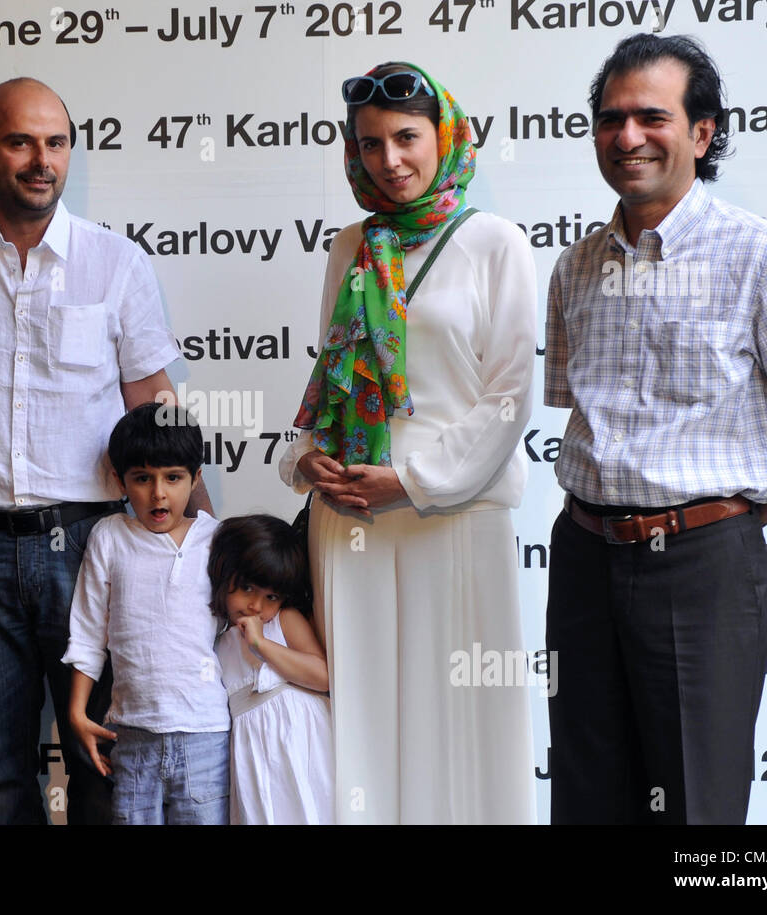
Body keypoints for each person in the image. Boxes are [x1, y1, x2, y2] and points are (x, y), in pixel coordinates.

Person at [544, 34, 767, 824]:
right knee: (585, 797)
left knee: (694, 809)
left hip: (701, 566)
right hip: (581, 558)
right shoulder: (574, 266)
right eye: (611, 119)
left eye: (652, 116)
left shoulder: (759, 252)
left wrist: (729, 523)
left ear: (702, 133)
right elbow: (575, 406)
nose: (627, 137)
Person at [0, 78, 202, 824]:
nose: (42, 160)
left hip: (94, 547)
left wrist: (199, 547)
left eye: (57, 142)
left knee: (105, 764)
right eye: (20, 142)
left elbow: (155, 408)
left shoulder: (117, 263)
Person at [278, 62, 538, 824]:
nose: (389, 160)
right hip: (350, 519)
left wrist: (411, 478)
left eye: (406, 138)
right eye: (369, 145)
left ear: (444, 136)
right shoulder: (350, 243)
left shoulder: (496, 243)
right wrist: (306, 456)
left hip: (451, 516)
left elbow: (508, 397)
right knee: (363, 723)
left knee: (463, 726)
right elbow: (332, 374)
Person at [63, 402, 228, 825]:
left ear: (196, 479)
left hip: (205, 736)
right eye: (142, 478)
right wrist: (78, 713)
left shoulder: (219, 541)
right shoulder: (110, 537)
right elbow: (87, 635)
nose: (158, 493)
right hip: (131, 736)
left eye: (173, 478)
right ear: (120, 480)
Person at [209, 514, 333, 825]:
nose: (256, 606)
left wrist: (261, 645)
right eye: (247, 588)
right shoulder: (216, 638)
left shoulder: (282, 620)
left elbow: (323, 675)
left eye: (271, 597)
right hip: (251, 753)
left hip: (302, 744)